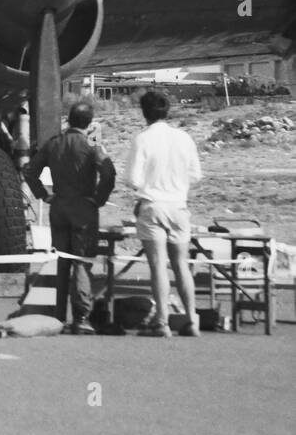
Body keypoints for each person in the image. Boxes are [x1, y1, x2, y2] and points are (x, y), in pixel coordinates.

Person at [25, 102, 116, 334]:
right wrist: (98, 198)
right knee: (82, 263)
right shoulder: (91, 142)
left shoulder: (54, 143)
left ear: (69, 120)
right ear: (89, 122)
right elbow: (108, 172)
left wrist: (44, 196)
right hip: (84, 209)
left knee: (61, 263)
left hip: (59, 207)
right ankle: (81, 317)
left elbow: (30, 171)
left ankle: (57, 316)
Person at [123, 89, 203, 337]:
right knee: (181, 265)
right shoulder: (184, 137)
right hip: (179, 206)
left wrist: (148, 186)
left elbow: (132, 178)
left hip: (153, 205)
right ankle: (191, 318)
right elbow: (195, 175)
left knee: (158, 265)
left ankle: (162, 321)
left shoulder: (143, 138)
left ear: (144, 112)